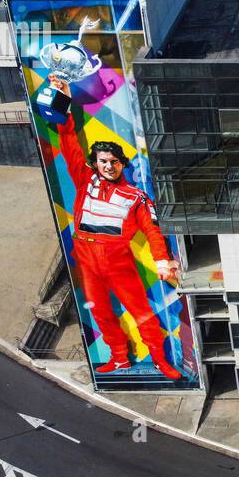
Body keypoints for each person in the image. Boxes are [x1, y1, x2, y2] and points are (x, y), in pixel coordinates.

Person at [48, 74, 181, 379]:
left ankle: (161, 360)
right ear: (96, 163)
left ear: (122, 164)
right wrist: (64, 98)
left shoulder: (135, 197)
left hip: (119, 262)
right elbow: (68, 142)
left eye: (114, 161)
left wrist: (161, 261)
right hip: (86, 258)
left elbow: (152, 230)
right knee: (100, 312)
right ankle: (119, 357)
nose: (108, 165)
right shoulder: (85, 181)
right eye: (103, 161)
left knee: (142, 313)